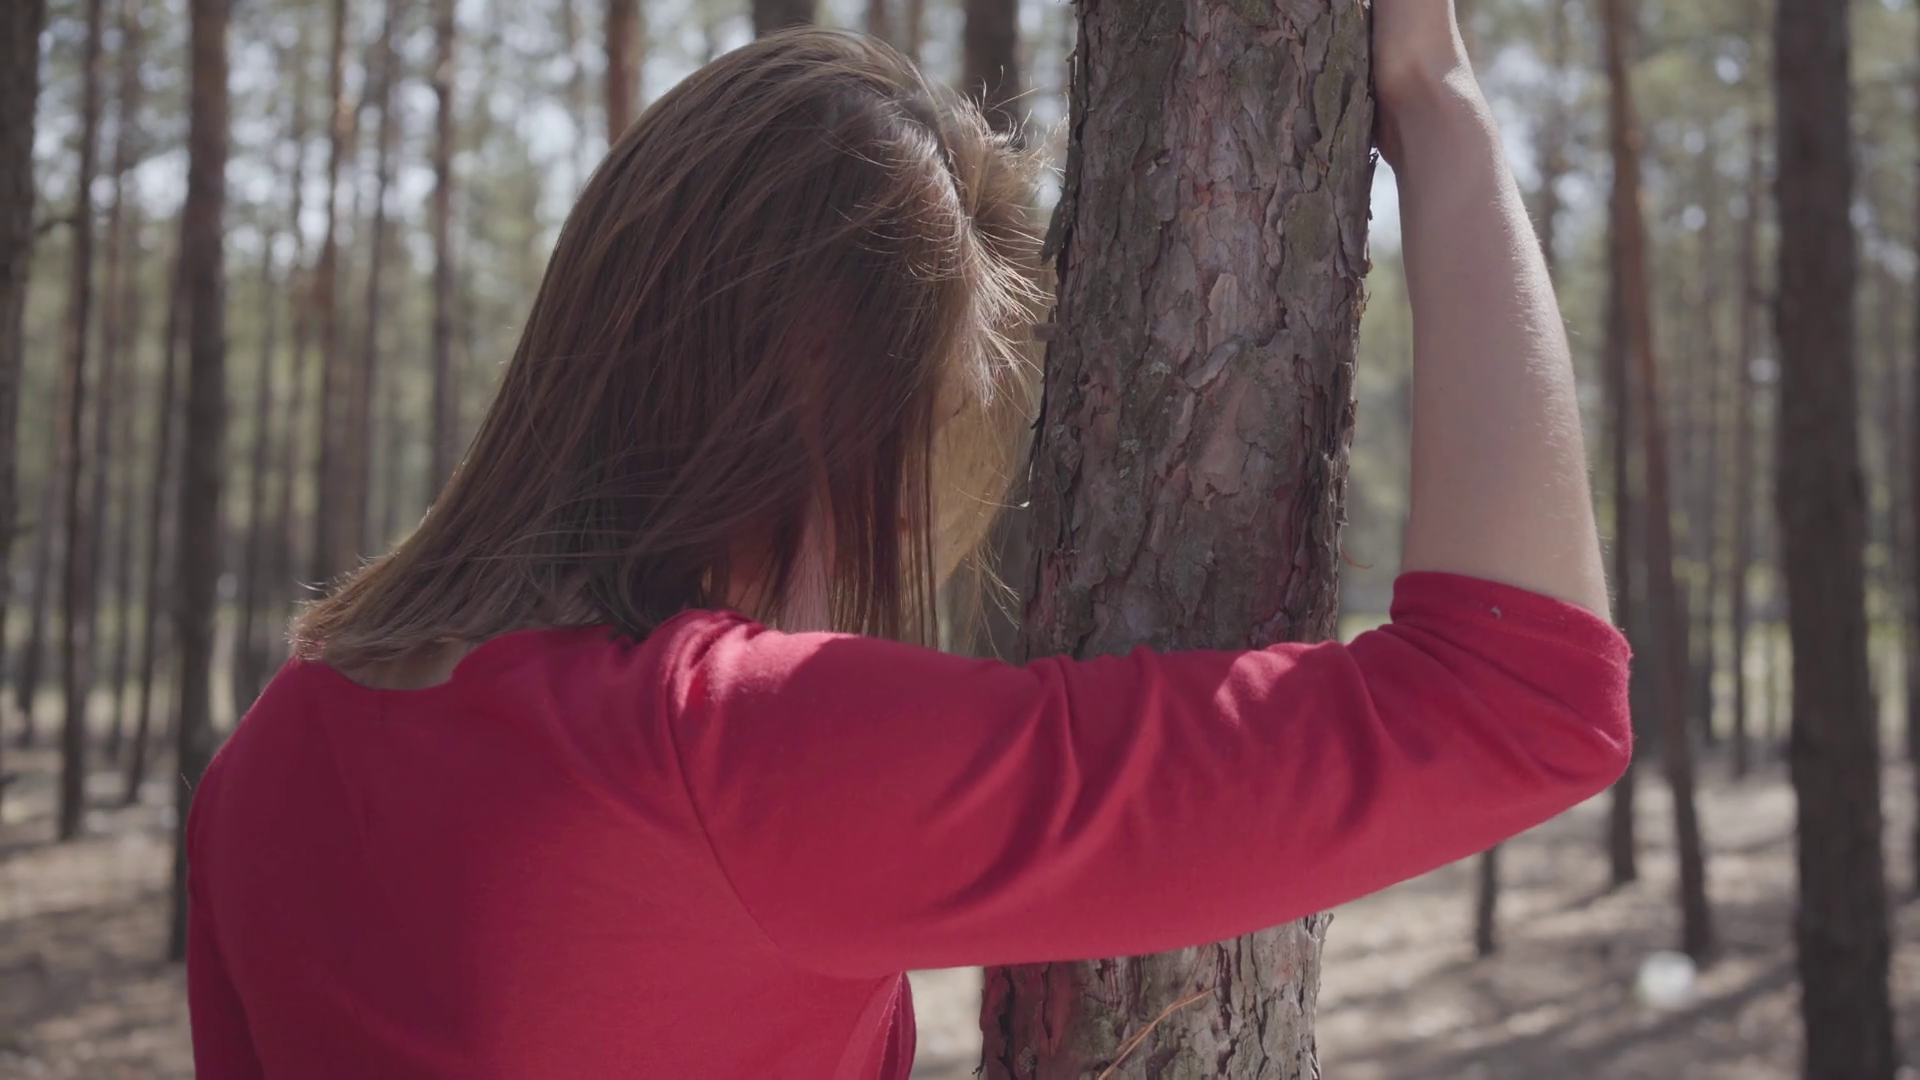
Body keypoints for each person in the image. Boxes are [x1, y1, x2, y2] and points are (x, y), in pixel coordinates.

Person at [186, 6, 1630, 1078]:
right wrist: (1437, 102)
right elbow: (1524, 700)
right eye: (918, 460)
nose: (913, 532)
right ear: (803, 431)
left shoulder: (276, 752)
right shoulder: (723, 756)